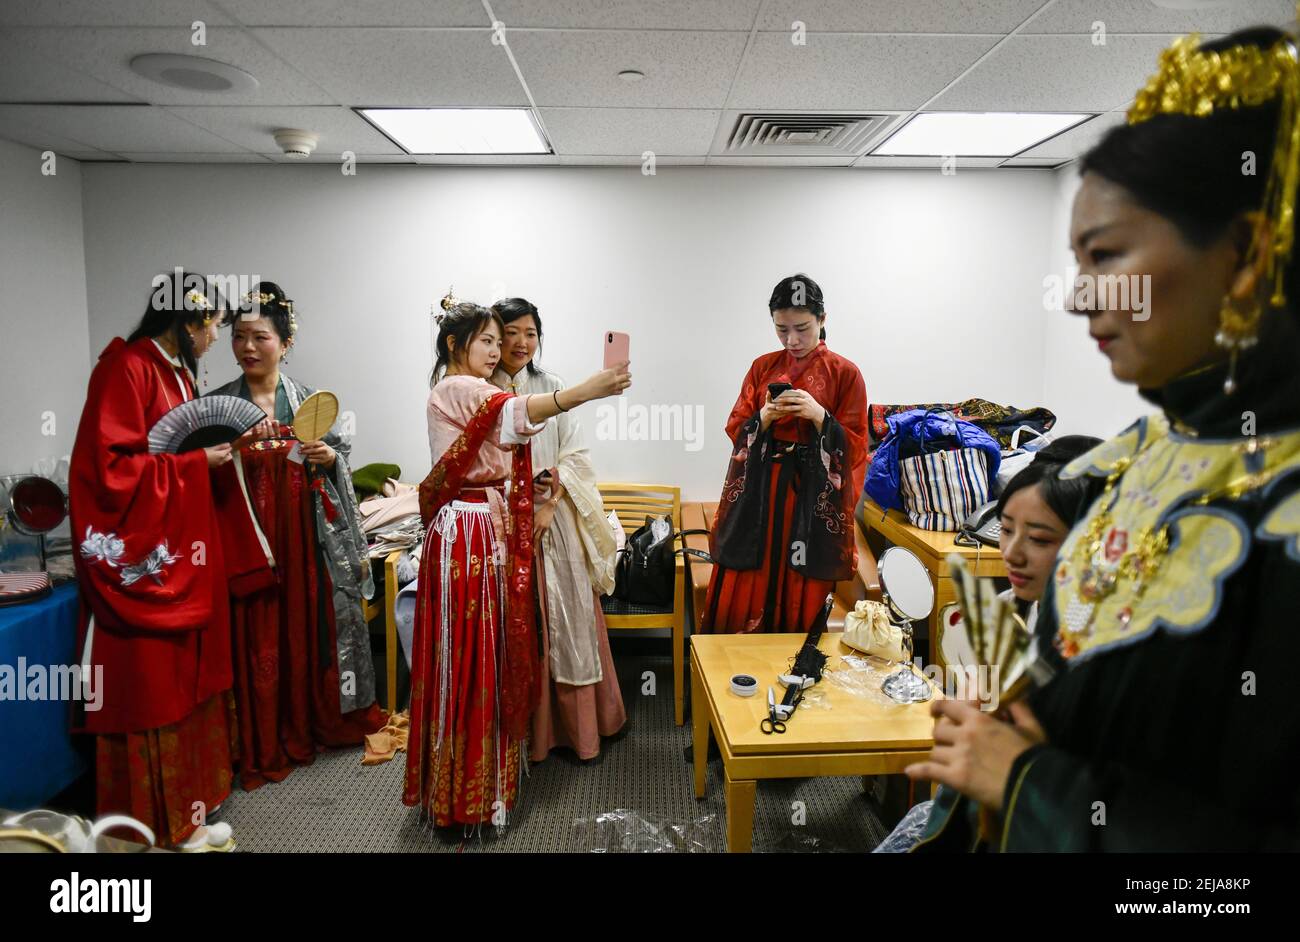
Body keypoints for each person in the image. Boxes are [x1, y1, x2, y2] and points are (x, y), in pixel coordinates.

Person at [909, 27, 1300, 851]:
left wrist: (1025, 784)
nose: (1082, 300)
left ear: (1243, 255)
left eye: (1106, 257)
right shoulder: (1134, 452)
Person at [403, 296, 630, 829]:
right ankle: (470, 797)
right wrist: (586, 391)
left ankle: (475, 790)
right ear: (458, 345)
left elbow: (527, 431)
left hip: (495, 525)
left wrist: (548, 495)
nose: (503, 347)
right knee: (477, 658)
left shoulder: (485, 388)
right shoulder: (463, 388)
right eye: (490, 338)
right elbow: (516, 414)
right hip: (478, 532)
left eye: (506, 337)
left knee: (488, 654)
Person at [69, 271, 269, 847]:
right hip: (145, 565)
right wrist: (190, 466)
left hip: (185, 553)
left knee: (189, 684)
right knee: (154, 687)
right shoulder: (126, 368)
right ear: (184, 322)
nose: (215, 340)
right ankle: (150, 827)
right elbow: (109, 475)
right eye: (210, 327)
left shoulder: (175, 373)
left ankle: (189, 817)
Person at [208, 281, 385, 790]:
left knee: (308, 627)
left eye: (259, 337)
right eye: (238, 337)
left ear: (284, 343)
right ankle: (260, 736)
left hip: (304, 540)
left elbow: (339, 466)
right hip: (248, 541)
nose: (247, 347)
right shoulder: (218, 406)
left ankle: (311, 721)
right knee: (257, 634)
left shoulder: (309, 402)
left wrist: (330, 460)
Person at [490, 297, 627, 764]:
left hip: (556, 518)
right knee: (516, 622)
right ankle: (524, 737)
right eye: (512, 332)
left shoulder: (552, 386)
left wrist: (550, 502)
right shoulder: (479, 389)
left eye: (531, 333)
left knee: (568, 620)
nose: (522, 342)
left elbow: (576, 454)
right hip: (501, 522)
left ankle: (579, 733)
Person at [703, 273, 868, 632]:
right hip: (760, 491)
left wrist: (820, 417)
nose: (791, 340)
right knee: (748, 574)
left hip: (808, 497)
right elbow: (736, 428)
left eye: (802, 328)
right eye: (781, 329)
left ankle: (795, 671)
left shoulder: (845, 374)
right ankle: (728, 671)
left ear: (822, 320)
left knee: (800, 577)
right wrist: (763, 417)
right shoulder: (763, 367)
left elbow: (856, 446)